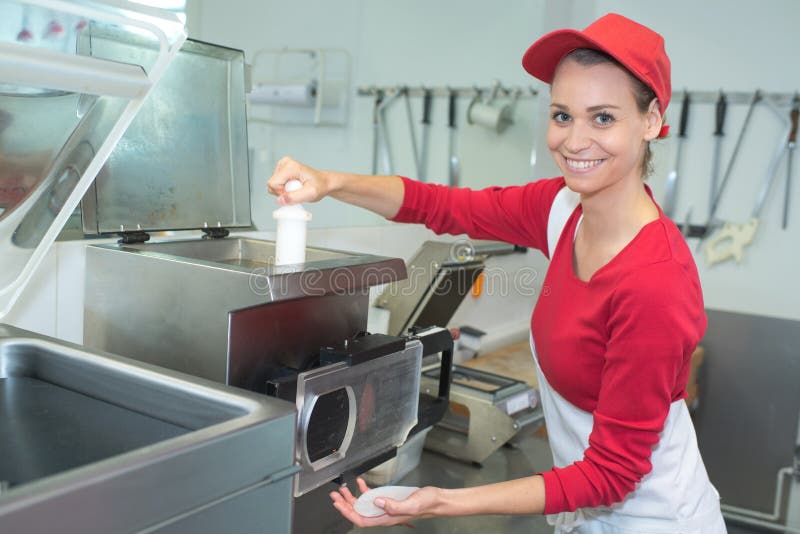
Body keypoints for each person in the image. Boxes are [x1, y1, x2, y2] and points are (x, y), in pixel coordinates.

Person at [267, 13, 726, 534]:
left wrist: (439, 502)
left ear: (651, 120)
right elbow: (442, 205)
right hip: (584, 520)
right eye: (561, 115)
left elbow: (612, 475)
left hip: (655, 522)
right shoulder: (563, 211)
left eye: (603, 118)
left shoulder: (654, 281)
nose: (575, 141)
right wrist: (328, 181)